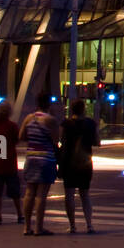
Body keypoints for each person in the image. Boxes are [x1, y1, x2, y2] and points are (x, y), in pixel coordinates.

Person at [19, 92, 60, 236]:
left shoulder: (29, 118)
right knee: (41, 195)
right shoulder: (50, 120)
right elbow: (56, 139)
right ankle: (39, 228)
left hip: (31, 157)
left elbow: (21, 136)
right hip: (45, 158)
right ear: (48, 104)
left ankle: (26, 227)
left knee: (29, 192)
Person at [60, 99, 100, 234]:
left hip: (69, 163)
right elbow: (97, 142)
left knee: (69, 195)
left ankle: (72, 226)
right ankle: (89, 225)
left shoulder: (66, 124)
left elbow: (61, 141)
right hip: (85, 163)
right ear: (84, 109)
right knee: (85, 195)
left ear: (71, 109)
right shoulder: (90, 124)